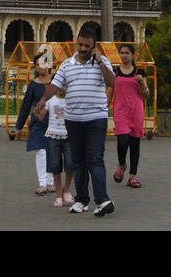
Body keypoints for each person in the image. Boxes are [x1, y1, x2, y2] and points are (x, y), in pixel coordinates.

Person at [34, 28, 115, 217]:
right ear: (76, 44)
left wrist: (101, 60)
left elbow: (112, 82)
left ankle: (102, 200)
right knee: (78, 161)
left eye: (87, 46)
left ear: (94, 46)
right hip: (73, 121)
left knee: (95, 159)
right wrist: (43, 100)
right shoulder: (66, 64)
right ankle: (81, 200)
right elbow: (54, 85)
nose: (83, 48)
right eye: (80, 44)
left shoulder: (102, 63)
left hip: (96, 119)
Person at [13, 45, 54, 195]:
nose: (40, 67)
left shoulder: (55, 83)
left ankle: (50, 182)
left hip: (54, 123)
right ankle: (42, 183)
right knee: (41, 151)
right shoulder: (33, 85)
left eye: (43, 63)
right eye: (37, 65)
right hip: (38, 123)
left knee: (52, 151)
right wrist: (19, 126)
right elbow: (25, 106)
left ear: (49, 65)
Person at [111, 42, 149, 188]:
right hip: (120, 111)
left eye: (127, 53)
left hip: (136, 111)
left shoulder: (140, 72)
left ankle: (133, 176)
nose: (125, 55)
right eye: (122, 53)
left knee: (134, 144)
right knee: (122, 141)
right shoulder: (115, 72)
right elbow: (109, 91)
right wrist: (103, 106)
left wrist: (142, 83)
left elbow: (146, 94)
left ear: (132, 55)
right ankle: (122, 164)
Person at [44, 82, 74, 207]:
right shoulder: (50, 100)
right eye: (60, 85)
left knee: (70, 163)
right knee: (55, 165)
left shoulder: (72, 100)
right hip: (53, 135)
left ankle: (66, 189)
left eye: (65, 85)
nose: (62, 88)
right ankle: (58, 195)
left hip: (69, 136)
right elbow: (41, 113)